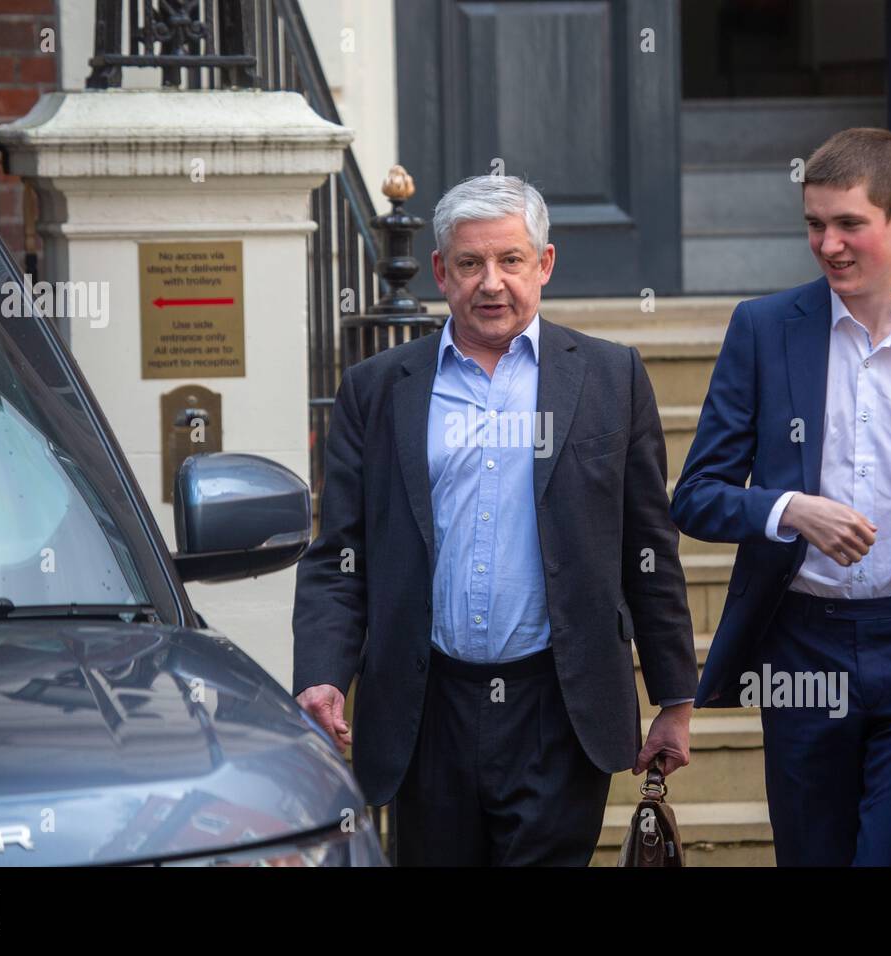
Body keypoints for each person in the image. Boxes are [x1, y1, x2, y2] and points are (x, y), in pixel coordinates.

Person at [291, 175, 697, 866]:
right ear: (441, 272)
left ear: (544, 264)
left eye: (511, 261)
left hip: (559, 709)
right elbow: (340, 553)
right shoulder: (378, 389)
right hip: (427, 707)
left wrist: (675, 698)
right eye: (471, 264)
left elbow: (647, 549)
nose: (492, 283)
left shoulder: (611, 378)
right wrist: (324, 671)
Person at [670, 128, 891, 866]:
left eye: (849, 223)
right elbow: (696, 496)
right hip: (802, 648)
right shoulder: (764, 330)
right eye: (814, 224)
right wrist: (788, 509)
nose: (828, 244)